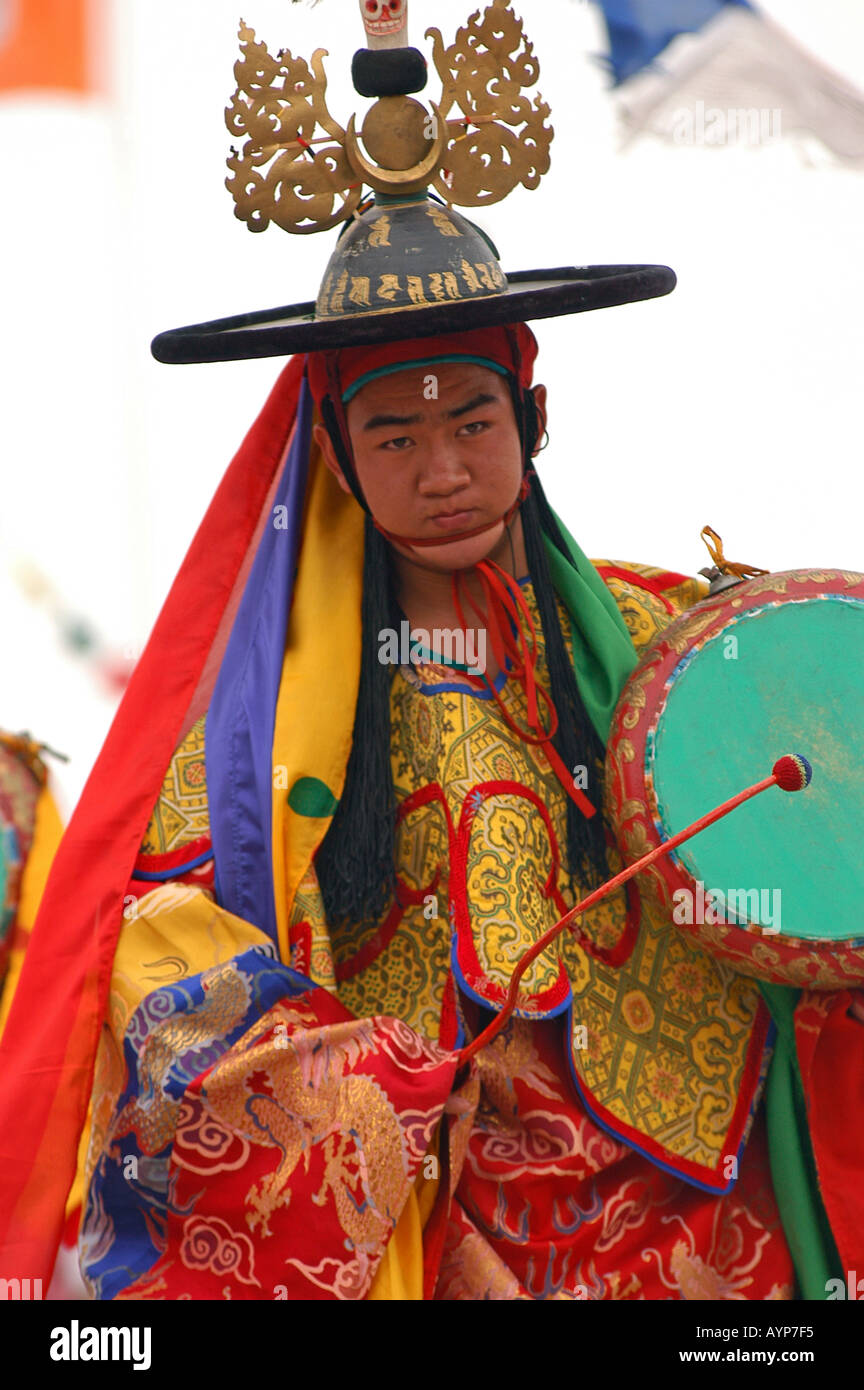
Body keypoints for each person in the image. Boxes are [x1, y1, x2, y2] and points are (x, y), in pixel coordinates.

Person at [0, 1, 858, 1300]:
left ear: (536, 412)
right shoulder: (259, 730)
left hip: (700, 1238)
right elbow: (159, 962)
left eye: (472, 418)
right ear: (338, 456)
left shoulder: (675, 643)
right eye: (394, 436)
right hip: (438, 1241)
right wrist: (393, 1145)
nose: (443, 467)